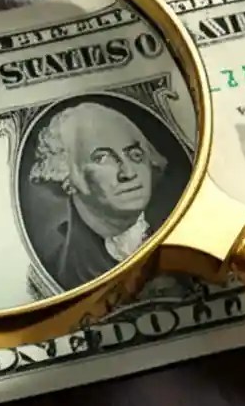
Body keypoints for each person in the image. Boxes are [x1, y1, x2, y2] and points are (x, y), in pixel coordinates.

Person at [28, 100, 171, 290]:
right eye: (102, 158)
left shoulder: (183, 236)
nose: (128, 173)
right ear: (66, 174)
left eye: (135, 154)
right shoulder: (61, 271)